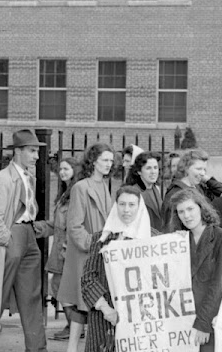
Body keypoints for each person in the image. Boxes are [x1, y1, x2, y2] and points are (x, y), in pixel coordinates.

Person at [0, 130, 53, 352]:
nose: (36, 156)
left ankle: (37, 349)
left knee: (31, 297)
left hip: (28, 238)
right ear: (17, 152)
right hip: (11, 238)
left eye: (37, 151)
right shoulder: (3, 179)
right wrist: (8, 239)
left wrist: (30, 232)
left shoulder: (27, 176)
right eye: (32, 151)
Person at [79, 185, 156, 352]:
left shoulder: (154, 238)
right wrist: (106, 309)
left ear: (139, 206)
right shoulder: (101, 238)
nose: (126, 210)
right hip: (104, 319)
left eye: (131, 205)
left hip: (141, 320)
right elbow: (88, 278)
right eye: (122, 204)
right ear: (116, 206)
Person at [58, 143, 115, 352]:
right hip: (88, 253)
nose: (109, 164)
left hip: (100, 252)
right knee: (84, 303)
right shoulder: (81, 187)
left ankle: (78, 347)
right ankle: (73, 348)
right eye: (104, 160)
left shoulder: (104, 186)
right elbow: (74, 226)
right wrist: (93, 246)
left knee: (87, 304)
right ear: (93, 161)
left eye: (110, 160)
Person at [169, 188, 222, 352]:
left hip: (211, 321)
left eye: (190, 209)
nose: (187, 215)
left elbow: (219, 285)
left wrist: (203, 323)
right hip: (182, 322)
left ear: (201, 208)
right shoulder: (178, 241)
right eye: (181, 211)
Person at [46, 157, 76, 340]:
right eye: (61, 169)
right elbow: (57, 223)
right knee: (59, 286)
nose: (62, 172)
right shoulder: (65, 193)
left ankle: (74, 326)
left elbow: (73, 223)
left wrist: (66, 247)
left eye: (66, 168)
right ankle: (73, 325)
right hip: (59, 247)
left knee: (60, 286)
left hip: (66, 248)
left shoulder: (74, 193)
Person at [162, 149, 222, 222]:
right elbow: (169, 225)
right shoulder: (174, 193)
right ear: (186, 168)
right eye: (199, 169)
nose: (203, 173)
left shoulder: (199, 187)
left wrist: (208, 180)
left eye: (204, 169)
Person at [126, 151, 165, 229]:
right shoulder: (133, 193)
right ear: (139, 171)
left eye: (155, 167)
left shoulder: (156, 189)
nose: (153, 172)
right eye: (148, 168)